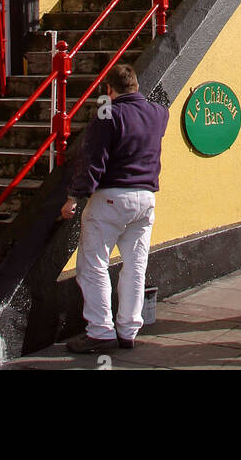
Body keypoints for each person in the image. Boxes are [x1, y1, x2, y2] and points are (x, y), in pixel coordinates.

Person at [61, 63, 169, 352]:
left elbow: (93, 161)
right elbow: (163, 101)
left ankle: (100, 331)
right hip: (145, 199)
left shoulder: (108, 114)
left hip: (111, 198)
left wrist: (74, 197)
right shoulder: (159, 114)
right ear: (136, 85)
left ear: (109, 90)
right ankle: (129, 329)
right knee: (135, 266)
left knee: (93, 265)